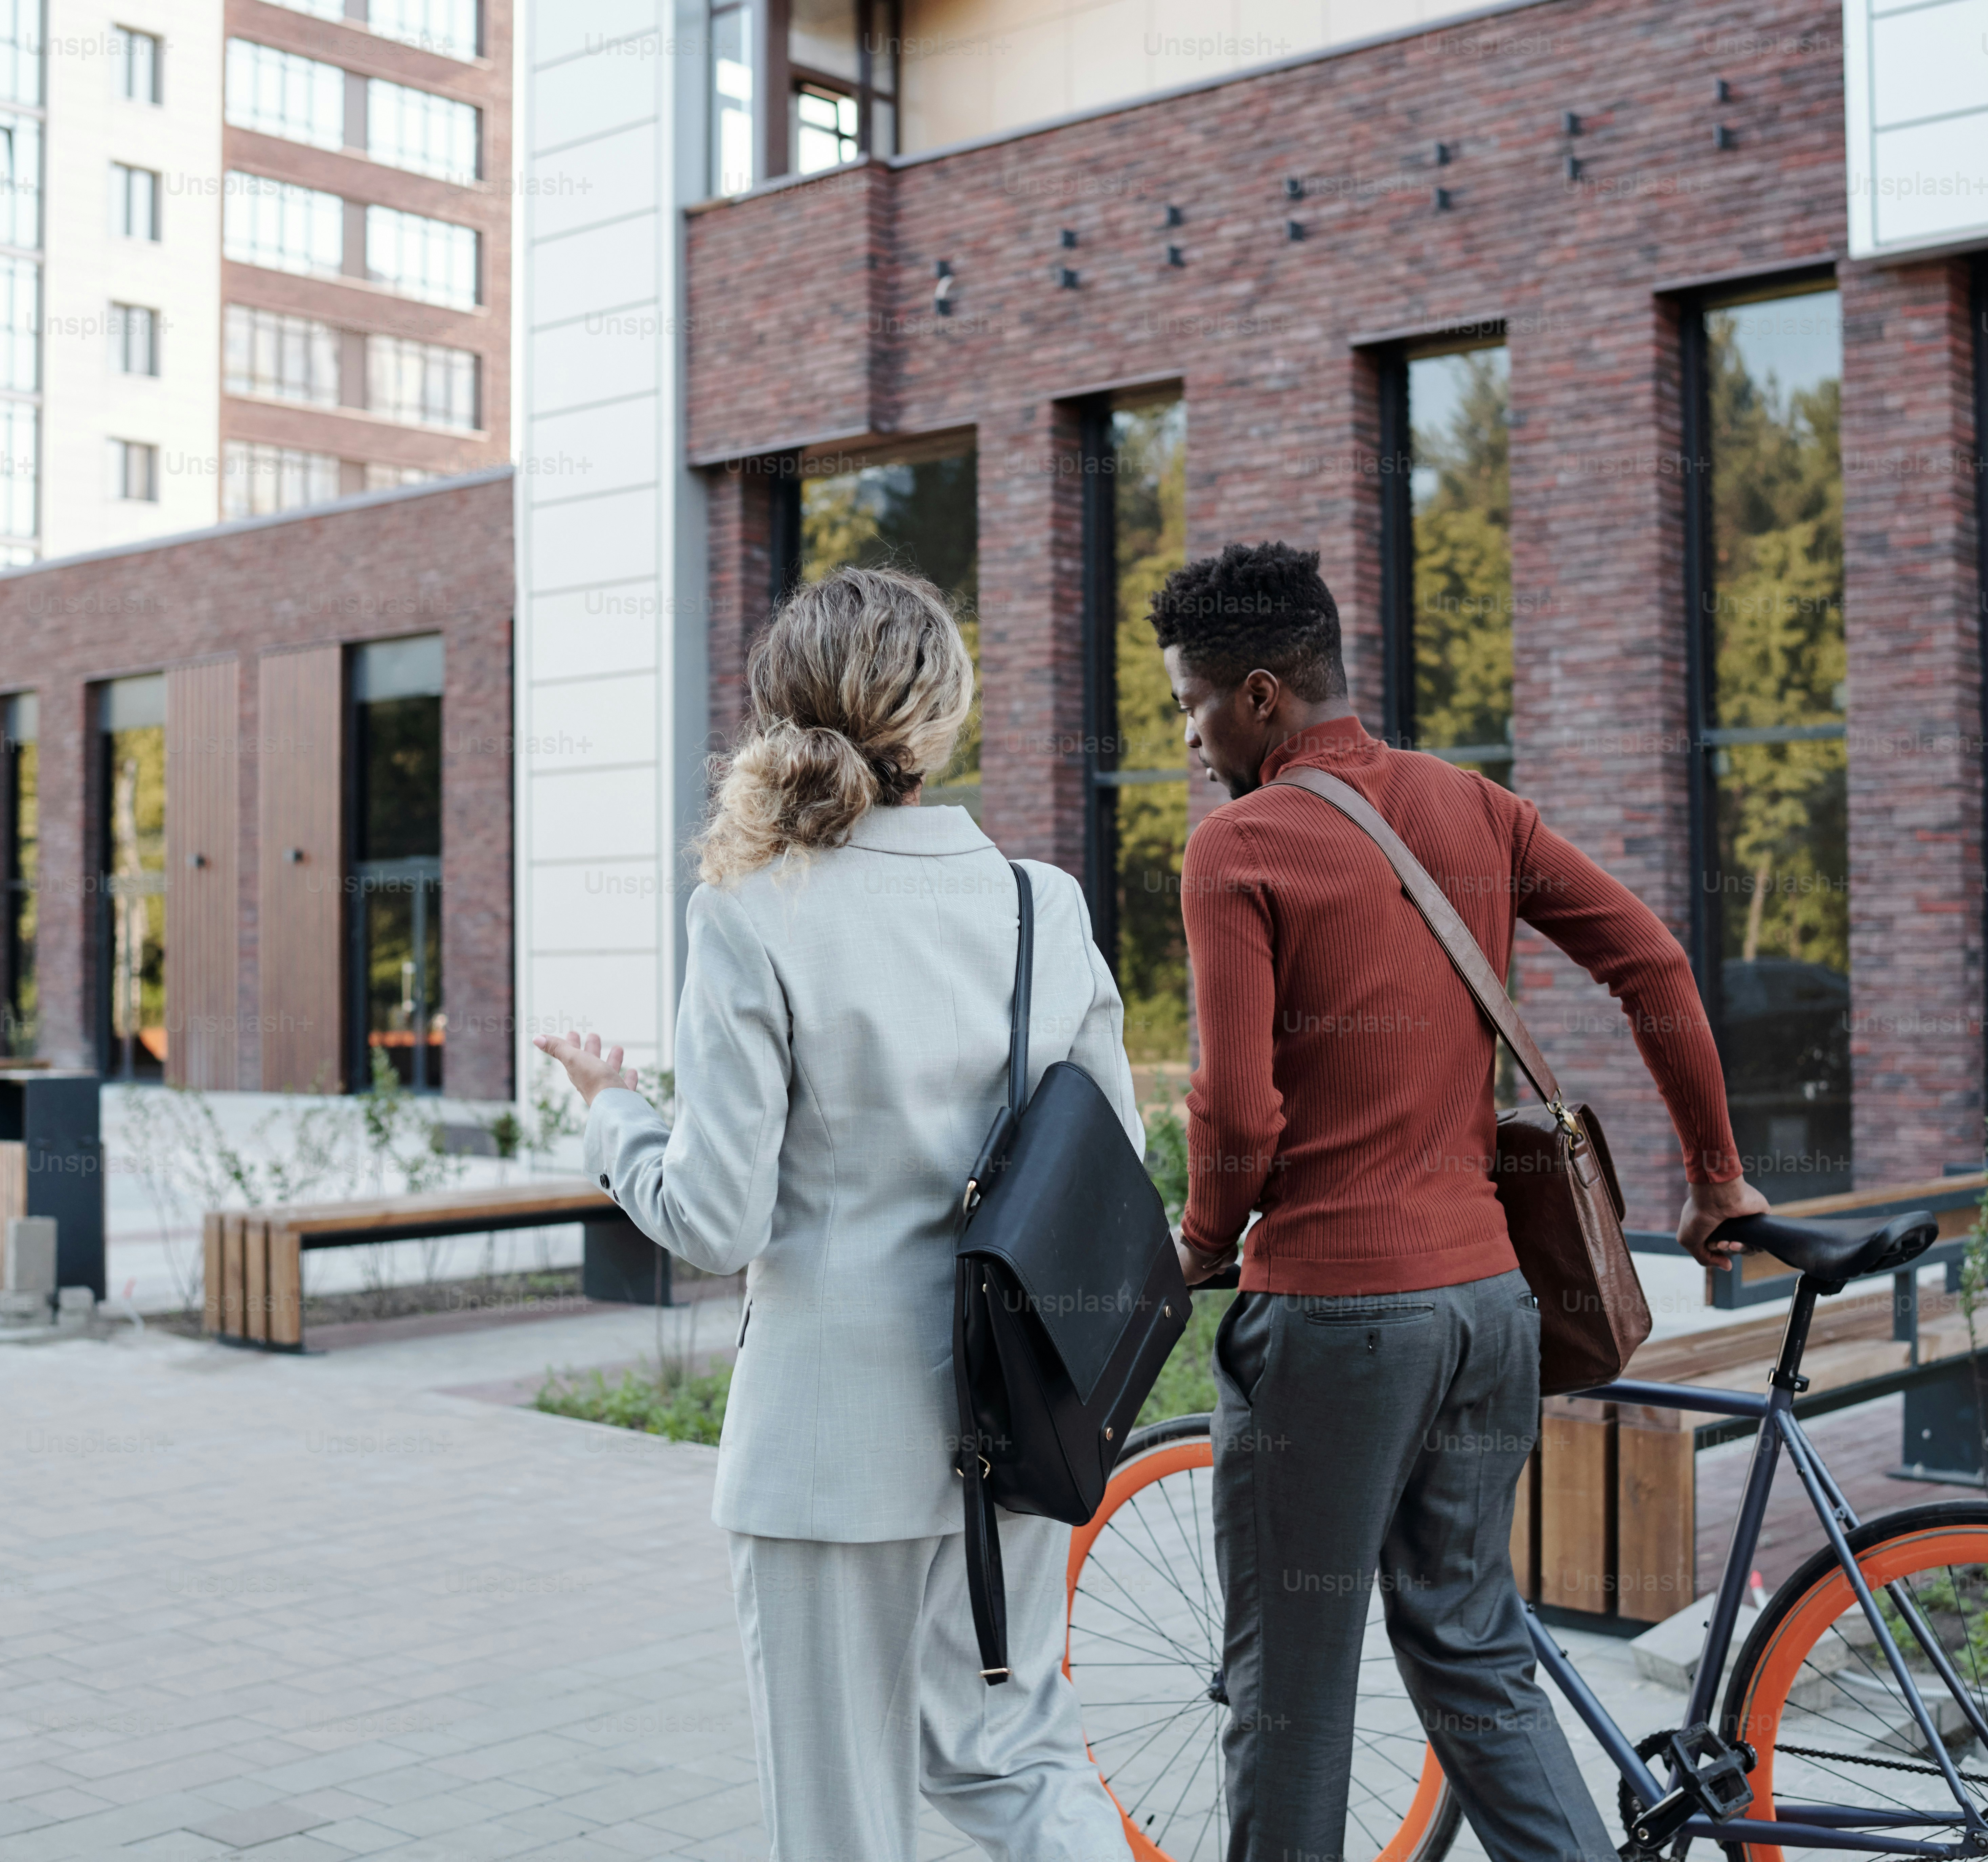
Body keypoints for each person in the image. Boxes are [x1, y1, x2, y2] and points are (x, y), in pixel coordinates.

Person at [1154, 540, 1771, 1862]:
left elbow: (1239, 1114)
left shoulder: (1239, 846)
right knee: (1474, 1648)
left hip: (1335, 1318)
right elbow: (1654, 961)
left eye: (1192, 705)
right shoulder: (1474, 808)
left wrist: (1199, 1241)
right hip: (1492, 1311)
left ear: (1260, 695)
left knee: (1291, 1693)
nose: (1189, 738)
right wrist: (1716, 1172)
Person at [534, 566, 1136, 1862]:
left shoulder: (752, 912)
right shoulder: (1044, 906)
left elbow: (713, 1219)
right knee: (1020, 1767)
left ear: (781, 713)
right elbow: (1113, 1165)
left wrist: (613, 1112)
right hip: (1017, 1419)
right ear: (945, 715)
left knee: (841, 1821)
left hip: (824, 1447)